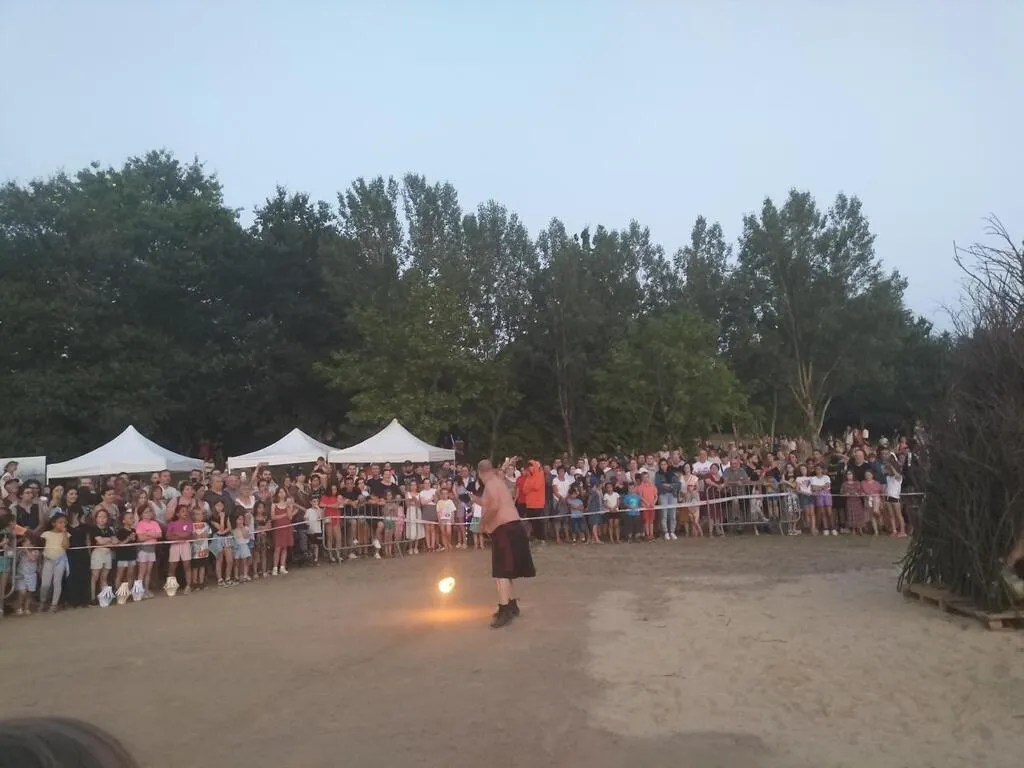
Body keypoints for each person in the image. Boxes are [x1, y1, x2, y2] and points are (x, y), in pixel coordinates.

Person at [476, 459, 535, 628]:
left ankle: (504, 611)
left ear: (480, 474)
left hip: (506, 530)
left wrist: (482, 523)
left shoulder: (491, 484)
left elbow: (494, 506)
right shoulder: (497, 481)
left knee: (501, 572)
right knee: (505, 571)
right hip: (512, 529)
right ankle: (509, 604)